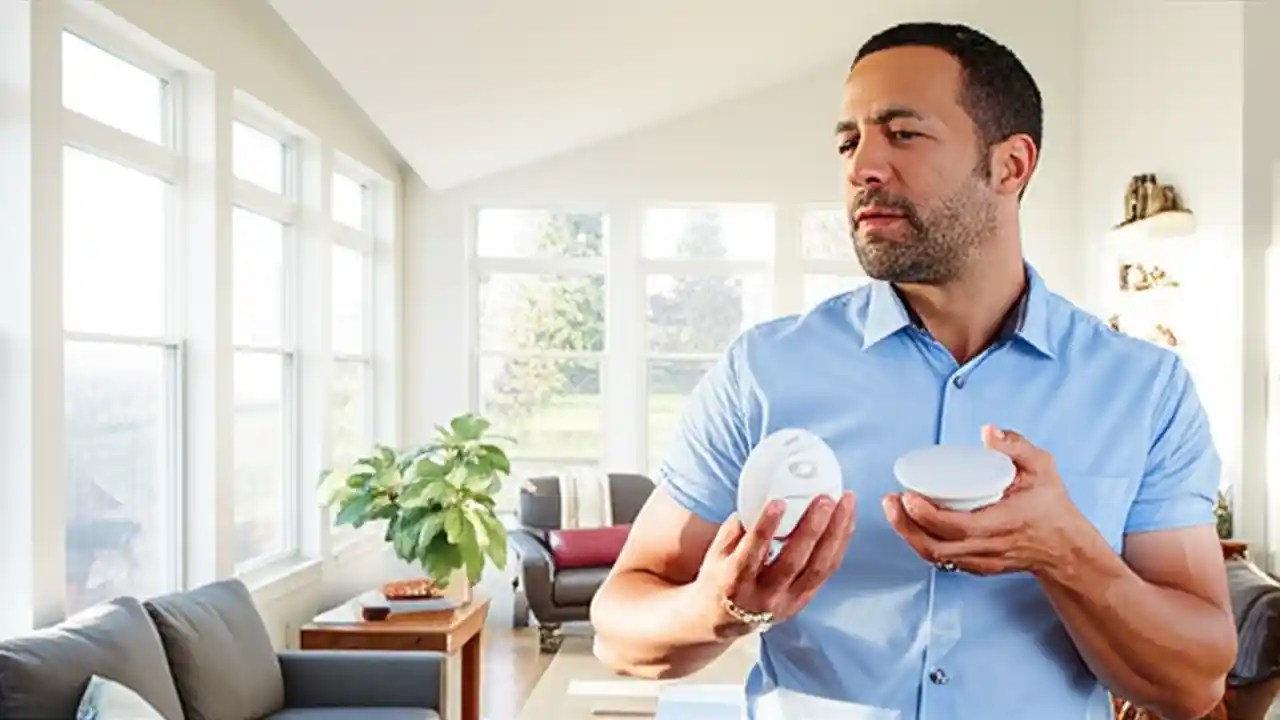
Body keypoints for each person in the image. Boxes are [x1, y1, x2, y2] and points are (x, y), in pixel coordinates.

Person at [589, 21, 1238, 720]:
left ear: (1011, 165)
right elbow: (620, 630)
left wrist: (1066, 555)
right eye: (849, 141)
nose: (861, 167)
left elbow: (1193, 685)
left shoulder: (1144, 390)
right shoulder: (764, 372)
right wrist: (720, 607)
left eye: (902, 134)